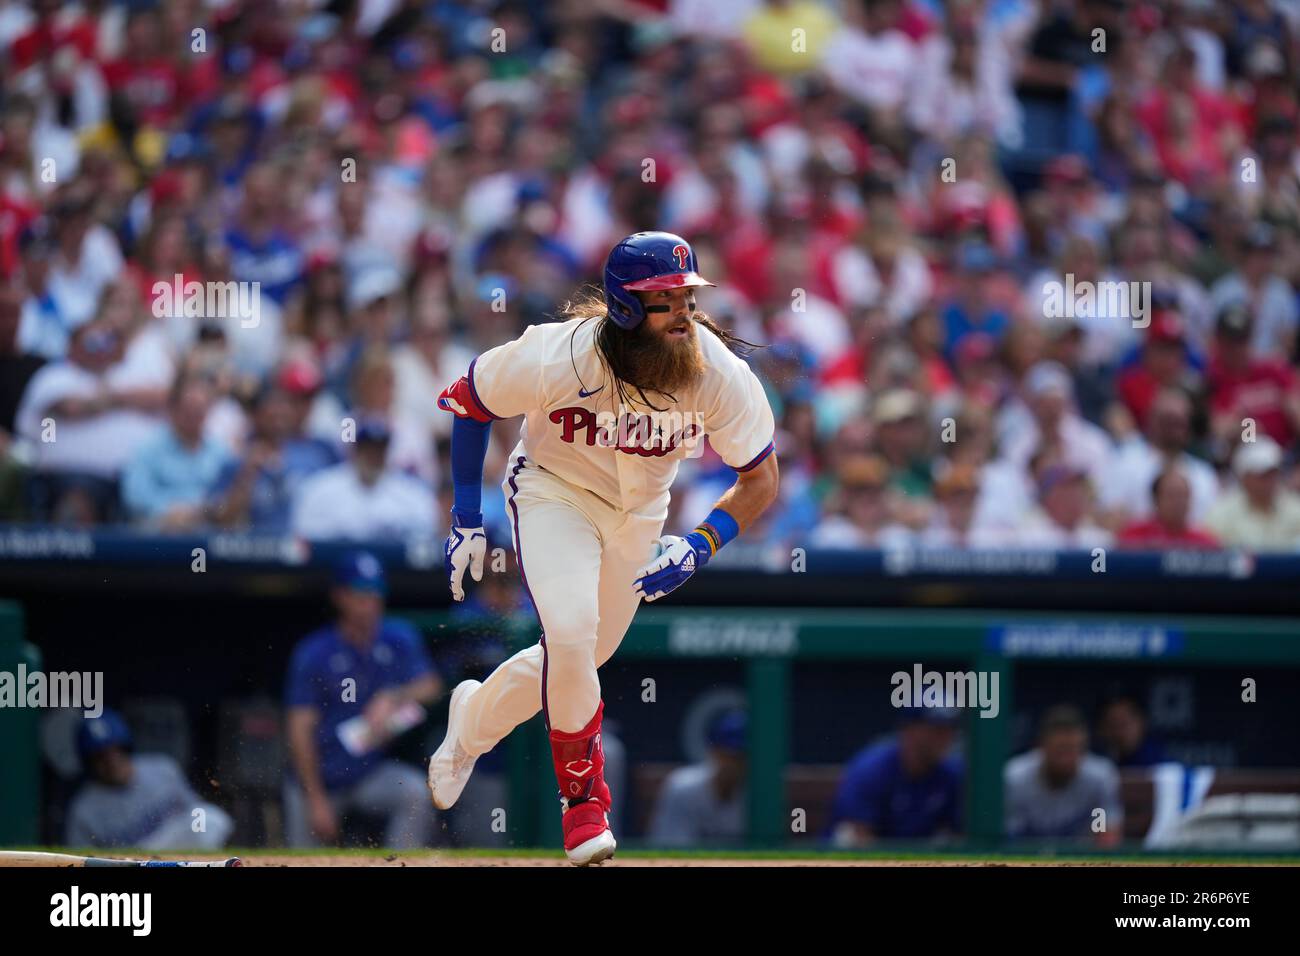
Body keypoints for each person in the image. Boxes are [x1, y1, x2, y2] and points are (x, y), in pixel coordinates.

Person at [428, 232, 779, 865]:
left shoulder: (717, 373)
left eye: (686, 297)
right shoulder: (558, 354)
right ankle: (584, 804)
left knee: (577, 659)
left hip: (639, 514)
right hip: (553, 491)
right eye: (663, 300)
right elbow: (469, 399)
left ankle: (470, 723)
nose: (683, 313)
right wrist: (466, 517)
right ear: (622, 308)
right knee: (569, 634)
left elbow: (761, 478)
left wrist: (702, 544)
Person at [283, 552, 443, 848]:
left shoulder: (397, 637)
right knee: (304, 853)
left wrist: (393, 696)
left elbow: (431, 686)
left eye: (375, 591)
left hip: (366, 770)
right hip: (318, 775)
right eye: (360, 591)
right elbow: (299, 730)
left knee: (414, 794)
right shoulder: (315, 652)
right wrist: (315, 800)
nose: (369, 600)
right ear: (340, 596)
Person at [66, 710, 234, 850]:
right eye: (100, 757)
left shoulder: (162, 768)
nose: (111, 762)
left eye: (115, 752)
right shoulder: (83, 809)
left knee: (210, 818)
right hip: (132, 859)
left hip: (178, 844)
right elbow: (78, 859)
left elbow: (195, 812)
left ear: (126, 748)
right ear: (89, 764)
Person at [828, 707, 963, 847]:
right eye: (936, 730)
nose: (946, 738)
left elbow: (959, 832)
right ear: (908, 730)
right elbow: (858, 832)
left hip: (919, 858)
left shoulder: (952, 772)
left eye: (950, 730)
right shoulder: (873, 767)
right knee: (847, 837)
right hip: (868, 857)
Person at [289, 415, 436, 541]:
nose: (373, 456)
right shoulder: (320, 488)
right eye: (368, 449)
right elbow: (303, 533)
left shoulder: (411, 493)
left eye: (379, 449)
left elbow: (425, 534)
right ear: (355, 450)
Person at [1004, 705, 1123, 846]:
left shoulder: (1100, 777)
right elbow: (1007, 837)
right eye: (1060, 750)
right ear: (1041, 746)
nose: (1066, 759)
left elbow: (1106, 835)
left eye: (1072, 750)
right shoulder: (1016, 778)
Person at [648, 709, 748, 848]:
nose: (735, 764)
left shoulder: (761, 796)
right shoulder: (683, 787)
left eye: (742, 757)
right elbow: (668, 849)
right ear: (715, 751)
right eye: (730, 756)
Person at [1204, 437, 1300, 550]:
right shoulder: (1220, 516)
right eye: (1262, 475)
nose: (1270, 481)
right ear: (1244, 478)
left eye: (1273, 473)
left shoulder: (1296, 508)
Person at [1095, 694, 1167, 768]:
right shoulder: (1096, 756)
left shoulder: (1156, 753)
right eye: (1113, 724)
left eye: (1124, 724)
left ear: (1142, 722)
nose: (1119, 732)